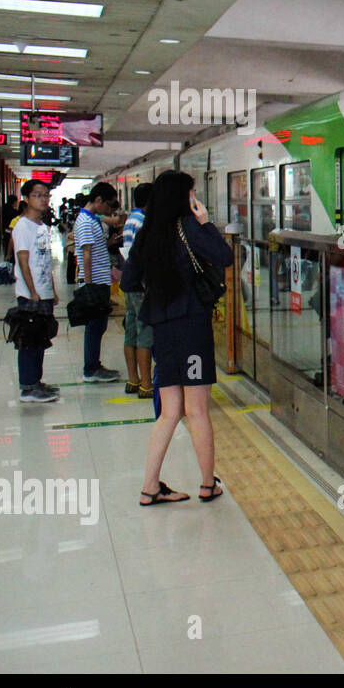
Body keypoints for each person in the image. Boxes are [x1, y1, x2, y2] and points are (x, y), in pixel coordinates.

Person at [122, 171, 232, 505]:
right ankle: (206, 484)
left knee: (169, 411)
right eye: (191, 193)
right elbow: (225, 258)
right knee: (197, 409)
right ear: (183, 198)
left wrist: (159, 289)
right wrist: (206, 222)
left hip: (162, 330)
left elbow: (128, 281)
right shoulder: (189, 228)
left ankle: (150, 486)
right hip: (192, 328)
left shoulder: (146, 235)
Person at [12, 179, 59, 403]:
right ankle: (28, 387)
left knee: (40, 338)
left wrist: (52, 289)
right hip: (32, 294)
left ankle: (36, 382)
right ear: (27, 199)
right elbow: (23, 259)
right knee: (29, 340)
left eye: (46, 195)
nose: (43, 199)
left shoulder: (41, 226)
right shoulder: (23, 226)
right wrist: (32, 291)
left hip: (44, 291)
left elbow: (44, 260)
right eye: (38, 195)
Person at [72, 182, 121, 382]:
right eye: (108, 205)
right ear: (98, 200)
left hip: (100, 280)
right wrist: (90, 285)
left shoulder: (91, 220)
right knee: (95, 326)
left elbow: (94, 248)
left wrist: (110, 242)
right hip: (95, 283)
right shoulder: (85, 221)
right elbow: (86, 254)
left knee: (98, 326)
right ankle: (91, 368)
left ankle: (93, 365)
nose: (108, 210)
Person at [120, 182, 154, 397]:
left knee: (130, 332)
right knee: (145, 334)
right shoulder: (144, 222)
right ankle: (146, 384)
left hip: (129, 280)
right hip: (141, 284)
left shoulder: (131, 218)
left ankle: (133, 380)